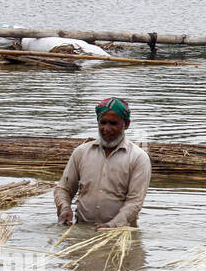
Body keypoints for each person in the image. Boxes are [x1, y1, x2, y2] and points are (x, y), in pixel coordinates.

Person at [54, 97, 152, 226]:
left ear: (126, 124)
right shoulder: (81, 152)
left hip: (120, 232)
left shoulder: (138, 158)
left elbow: (135, 202)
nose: (106, 129)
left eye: (113, 123)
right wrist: (65, 208)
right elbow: (64, 189)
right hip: (82, 227)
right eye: (103, 122)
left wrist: (112, 225)